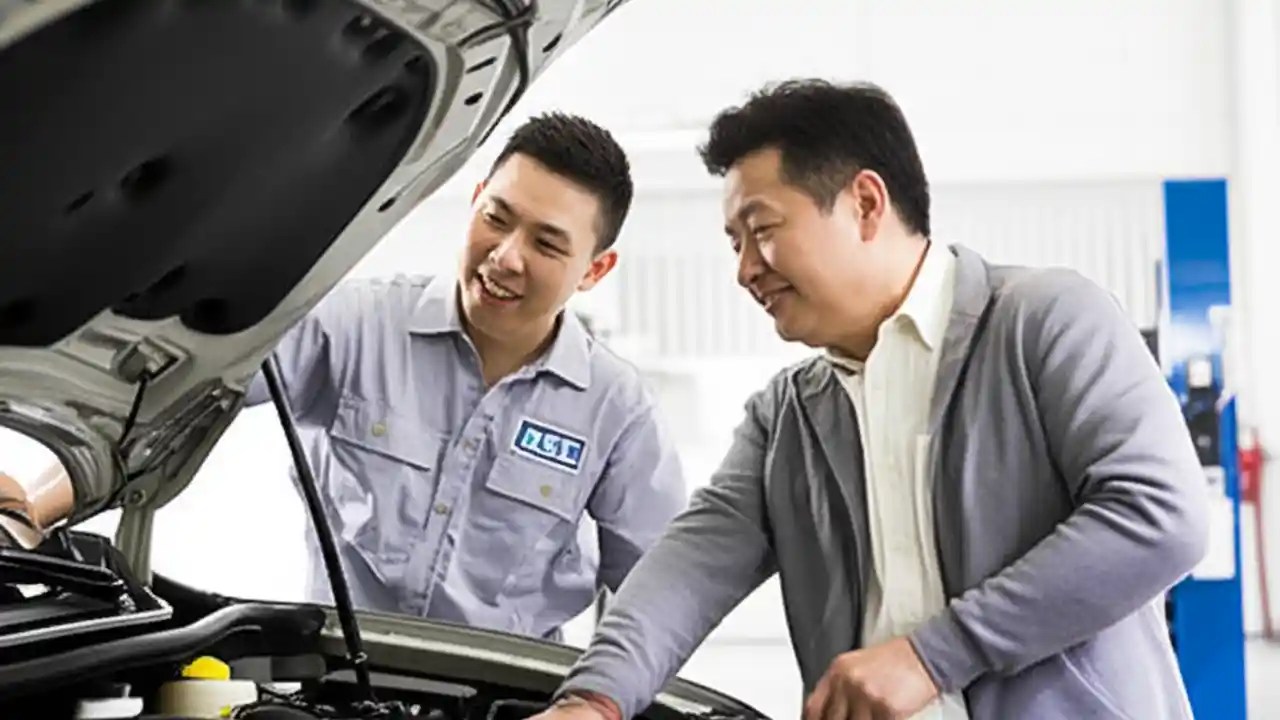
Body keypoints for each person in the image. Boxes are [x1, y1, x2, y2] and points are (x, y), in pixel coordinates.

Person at [534, 80, 1209, 720]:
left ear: (864, 203)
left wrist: (932, 654)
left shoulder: (1045, 322)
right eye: (734, 243)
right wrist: (594, 697)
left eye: (761, 228)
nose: (744, 269)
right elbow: (689, 566)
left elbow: (1161, 517)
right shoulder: (788, 415)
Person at [244, 112, 687, 642]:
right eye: (496, 218)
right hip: (343, 682)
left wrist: (594, 699)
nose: (505, 257)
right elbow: (197, 389)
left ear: (594, 269)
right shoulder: (353, 327)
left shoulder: (617, 408)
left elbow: (658, 601)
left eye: (546, 245)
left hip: (506, 695)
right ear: (476, 197)